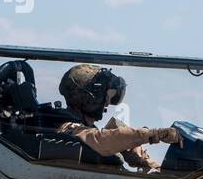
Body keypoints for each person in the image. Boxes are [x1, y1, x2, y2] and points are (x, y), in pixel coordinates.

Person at [51, 64, 181, 172]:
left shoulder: (87, 129)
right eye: (105, 97)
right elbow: (103, 140)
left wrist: (156, 169)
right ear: (88, 97)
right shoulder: (66, 127)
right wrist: (153, 134)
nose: (107, 104)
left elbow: (113, 137)